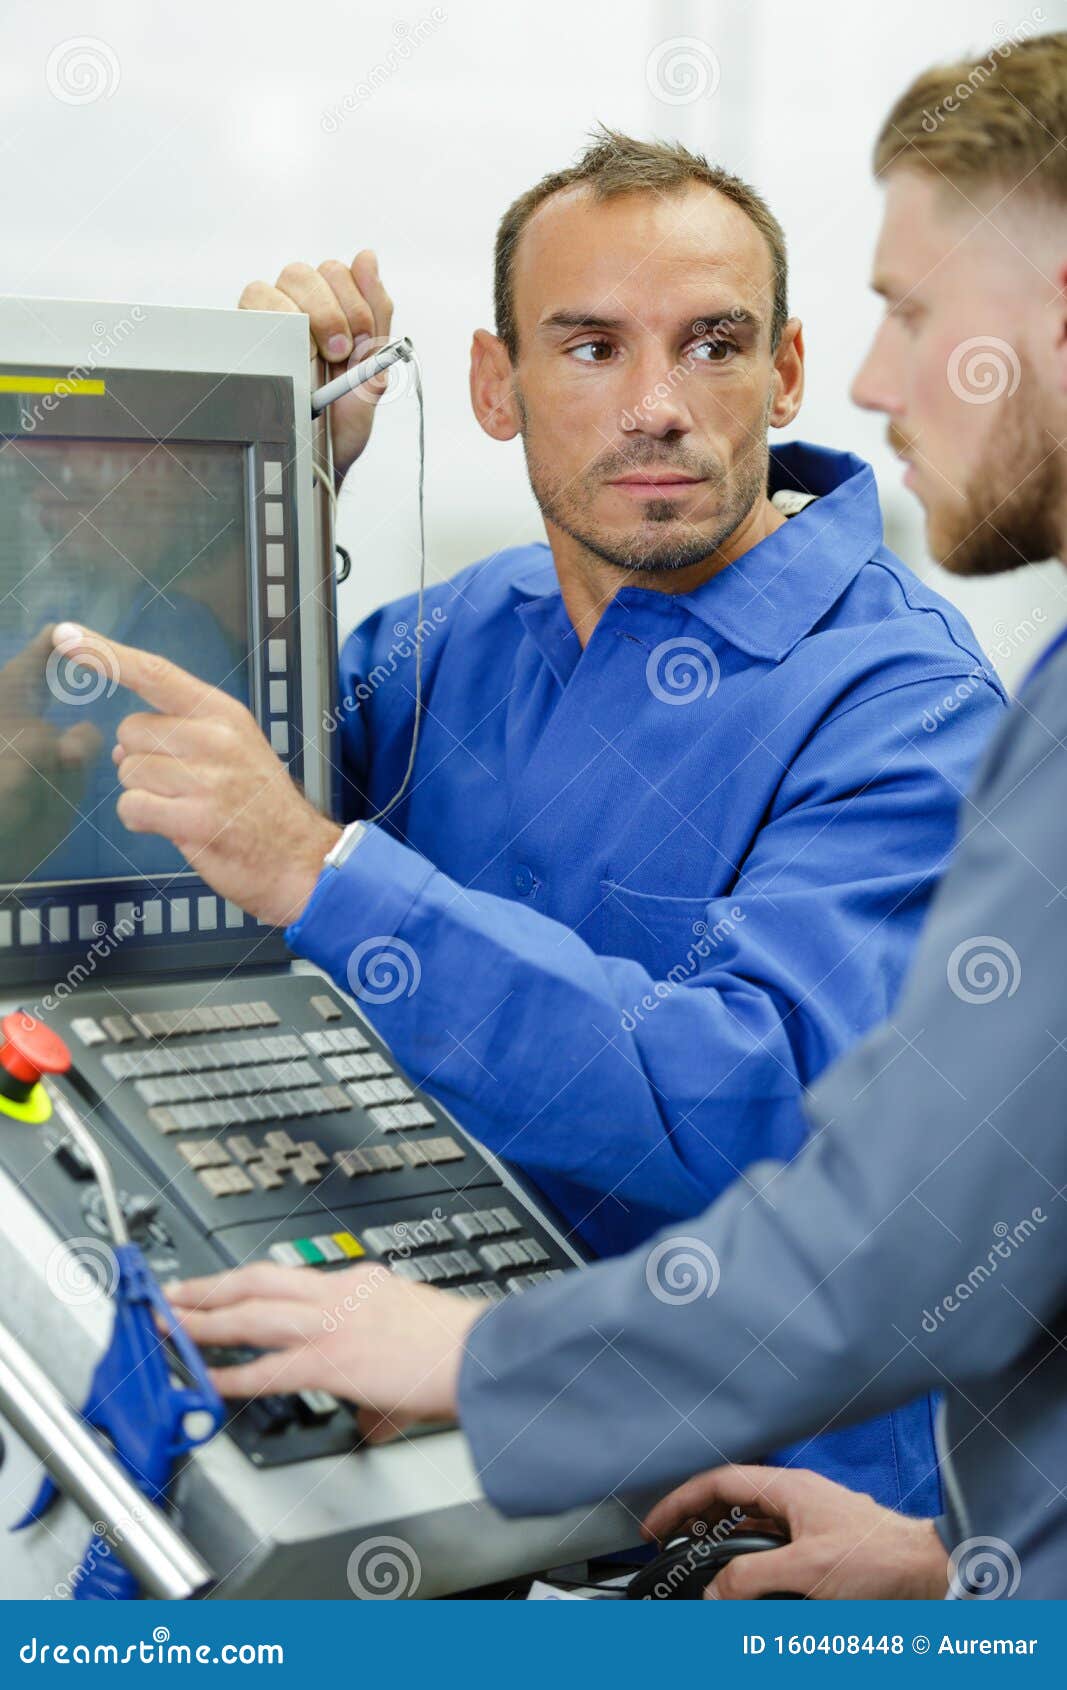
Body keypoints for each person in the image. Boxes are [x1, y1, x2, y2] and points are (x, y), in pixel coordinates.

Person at [158, 31, 1067, 1599]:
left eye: (714, 344)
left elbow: (777, 1110)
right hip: (415, 1454)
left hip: (725, 1527)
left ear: (779, 373)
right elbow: (180, 819)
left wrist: (339, 878)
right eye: (589, 348)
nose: (659, 405)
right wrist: (260, 471)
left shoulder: (906, 707)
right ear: (494, 389)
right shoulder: (445, 647)